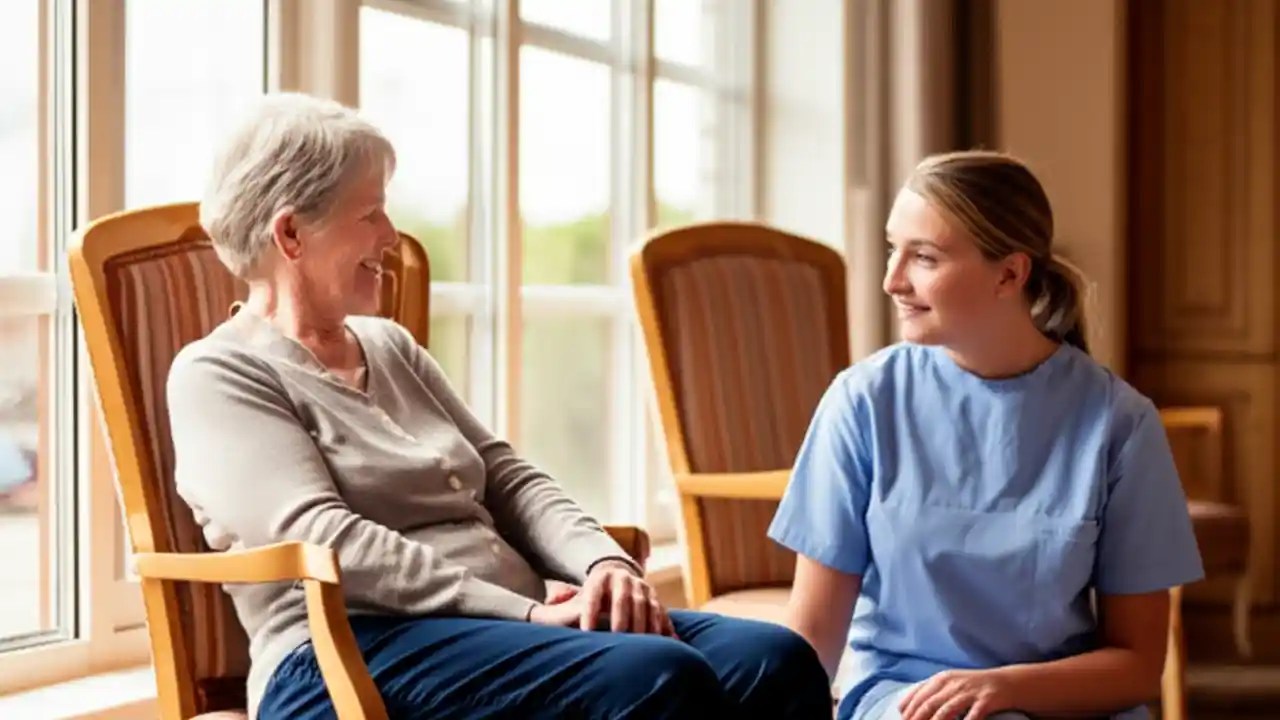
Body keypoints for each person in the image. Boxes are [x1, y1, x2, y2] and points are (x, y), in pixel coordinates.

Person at [167, 93, 831, 720]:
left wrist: (602, 562)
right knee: (657, 677)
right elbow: (325, 538)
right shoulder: (219, 374)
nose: (391, 236)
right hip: (343, 653)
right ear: (290, 234)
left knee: (775, 660)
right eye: (369, 214)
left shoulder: (389, 346)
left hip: (502, 626)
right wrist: (525, 614)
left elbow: (506, 476)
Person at [768, 150, 1204, 720]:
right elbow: (812, 645)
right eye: (892, 249)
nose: (892, 280)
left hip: (1063, 704)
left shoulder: (1120, 424)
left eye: (924, 257)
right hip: (906, 702)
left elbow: (1138, 664)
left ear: (1009, 274)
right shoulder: (863, 403)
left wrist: (1007, 689)